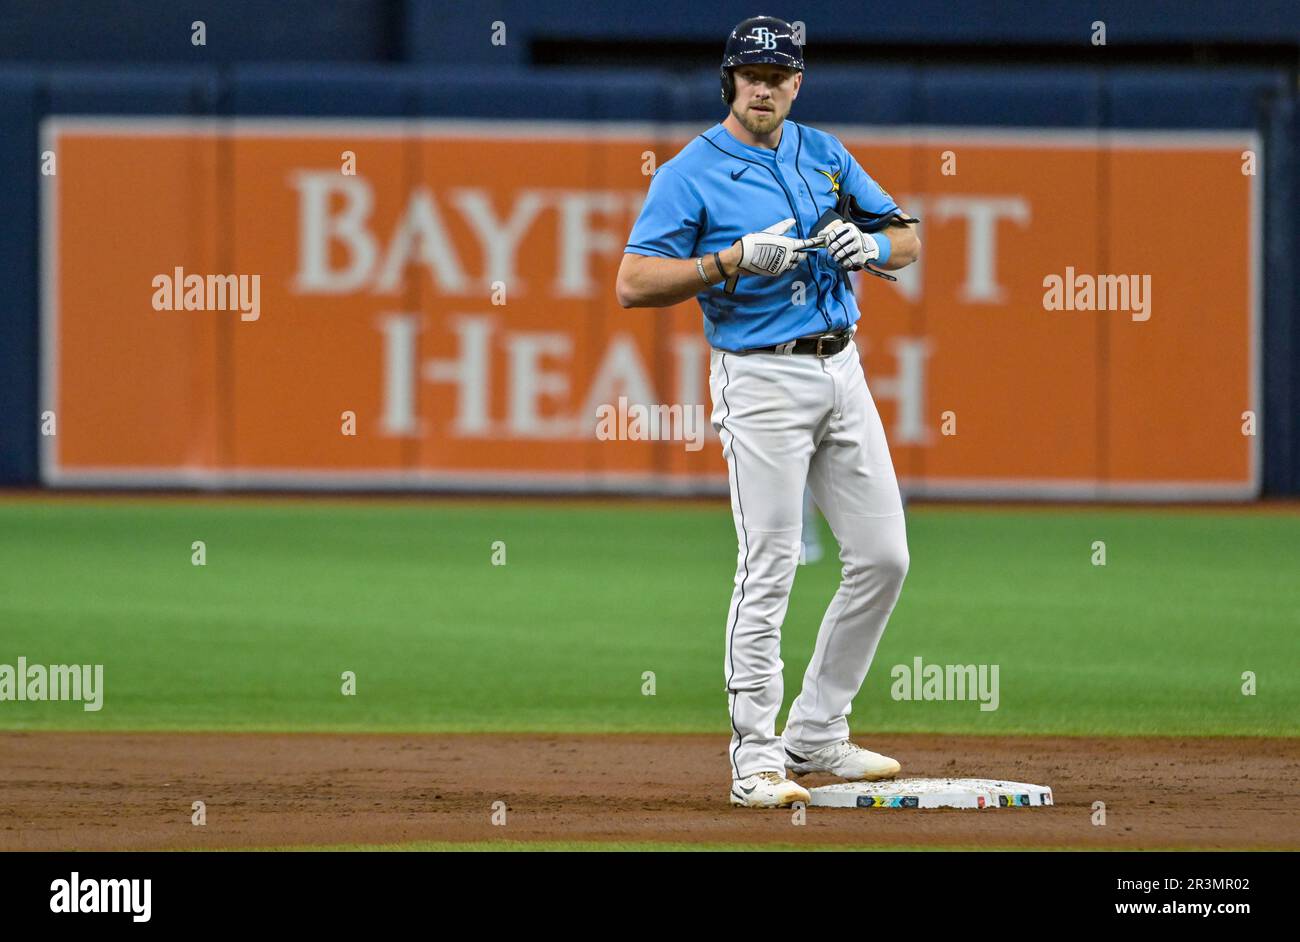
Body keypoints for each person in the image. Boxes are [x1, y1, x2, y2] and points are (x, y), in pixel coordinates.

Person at [616, 16, 920, 808]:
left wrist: (874, 247)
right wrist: (729, 259)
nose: (763, 85)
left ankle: (817, 731)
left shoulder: (823, 151)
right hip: (760, 378)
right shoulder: (689, 172)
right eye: (750, 73)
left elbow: (909, 234)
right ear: (730, 80)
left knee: (885, 557)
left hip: (841, 365)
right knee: (771, 566)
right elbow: (633, 282)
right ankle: (755, 758)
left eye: (778, 74)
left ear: (797, 83)